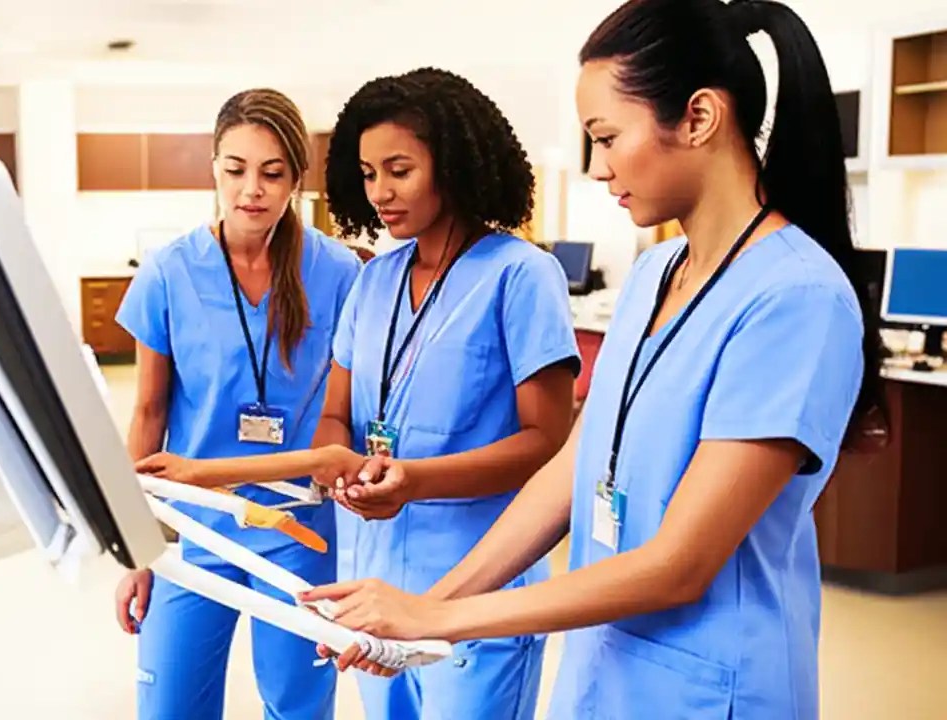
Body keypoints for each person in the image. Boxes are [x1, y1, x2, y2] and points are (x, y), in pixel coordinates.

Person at [298, 1, 885, 718]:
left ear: (698, 118)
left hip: (714, 687)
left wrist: (437, 621)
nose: (599, 167)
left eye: (606, 138)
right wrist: (427, 602)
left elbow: (680, 565)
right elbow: (574, 467)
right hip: (606, 666)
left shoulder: (796, 298)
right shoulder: (654, 274)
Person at [141, 67, 582, 720]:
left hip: (477, 584)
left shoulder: (522, 276)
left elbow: (547, 443)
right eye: (369, 173)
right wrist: (342, 465)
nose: (380, 192)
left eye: (398, 170)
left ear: (451, 165)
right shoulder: (375, 283)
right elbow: (336, 418)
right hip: (374, 584)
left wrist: (413, 480)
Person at [112, 87, 362, 720]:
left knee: (298, 706)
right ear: (214, 167)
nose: (252, 188)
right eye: (236, 169)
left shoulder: (338, 273)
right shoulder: (169, 273)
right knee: (170, 705)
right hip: (196, 524)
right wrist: (135, 550)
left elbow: (350, 409)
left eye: (272, 173)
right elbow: (148, 413)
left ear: (296, 181)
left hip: (300, 526)